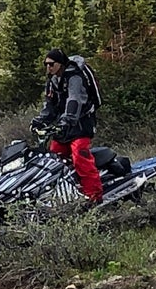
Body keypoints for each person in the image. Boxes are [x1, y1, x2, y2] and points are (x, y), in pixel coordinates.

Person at [31, 48, 103, 204]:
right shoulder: (53, 80)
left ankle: (94, 197)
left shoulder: (74, 77)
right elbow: (50, 105)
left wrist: (67, 119)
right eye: (46, 64)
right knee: (53, 160)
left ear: (60, 63)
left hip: (82, 124)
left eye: (51, 64)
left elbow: (74, 100)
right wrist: (40, 120)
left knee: (80, 157)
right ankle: (65, 196)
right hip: (64, 128)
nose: (48, 67)